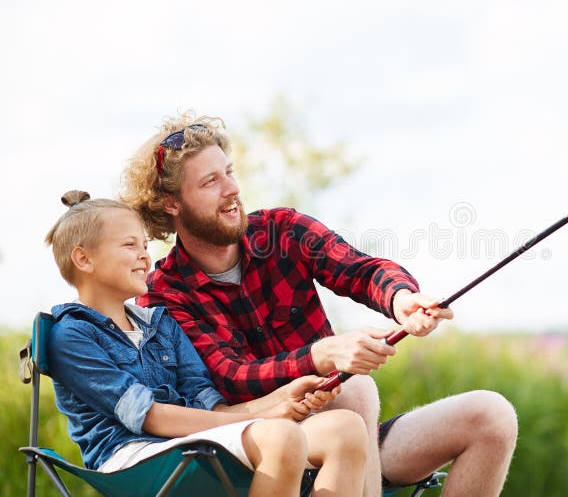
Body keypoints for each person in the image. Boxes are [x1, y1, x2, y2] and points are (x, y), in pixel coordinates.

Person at [122, 113, 518, 497]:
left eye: (230, 172)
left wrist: (402, 299)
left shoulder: (283, 229)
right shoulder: (162, 295)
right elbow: (232, 377)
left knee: (492, 415)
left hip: (350, 432)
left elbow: (360, 271)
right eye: (211, 181)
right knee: (356, 388)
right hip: (265, 451)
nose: (232, 189)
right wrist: (323, 355)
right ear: (171, 204)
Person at [44, 190, 368, 497]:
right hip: (134, 456)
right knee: (281, 437)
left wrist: (279, 399)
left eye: (145, 244)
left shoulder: (161, 323)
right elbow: (152, 418)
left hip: (192, 440)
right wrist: (269, 417)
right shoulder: (72, 335)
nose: (145, 255)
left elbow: (211, 407)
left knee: (345, 429)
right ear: (84, 259)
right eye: (130, 245)